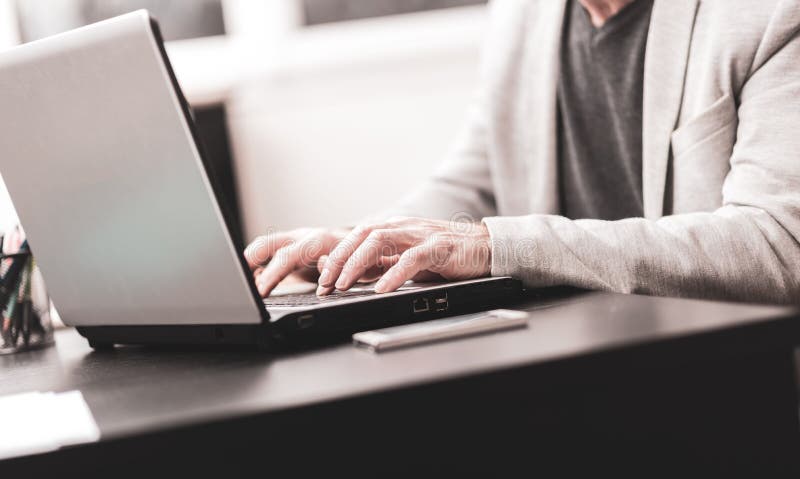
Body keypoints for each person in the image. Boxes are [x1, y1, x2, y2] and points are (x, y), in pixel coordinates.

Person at [244, 0, 800, 304]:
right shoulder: (523, 13)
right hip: (571, 364)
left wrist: (499, 245)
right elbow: (476, 179)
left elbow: (779, 245)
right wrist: (358, 243)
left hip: (727, 377)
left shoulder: (770, 12)